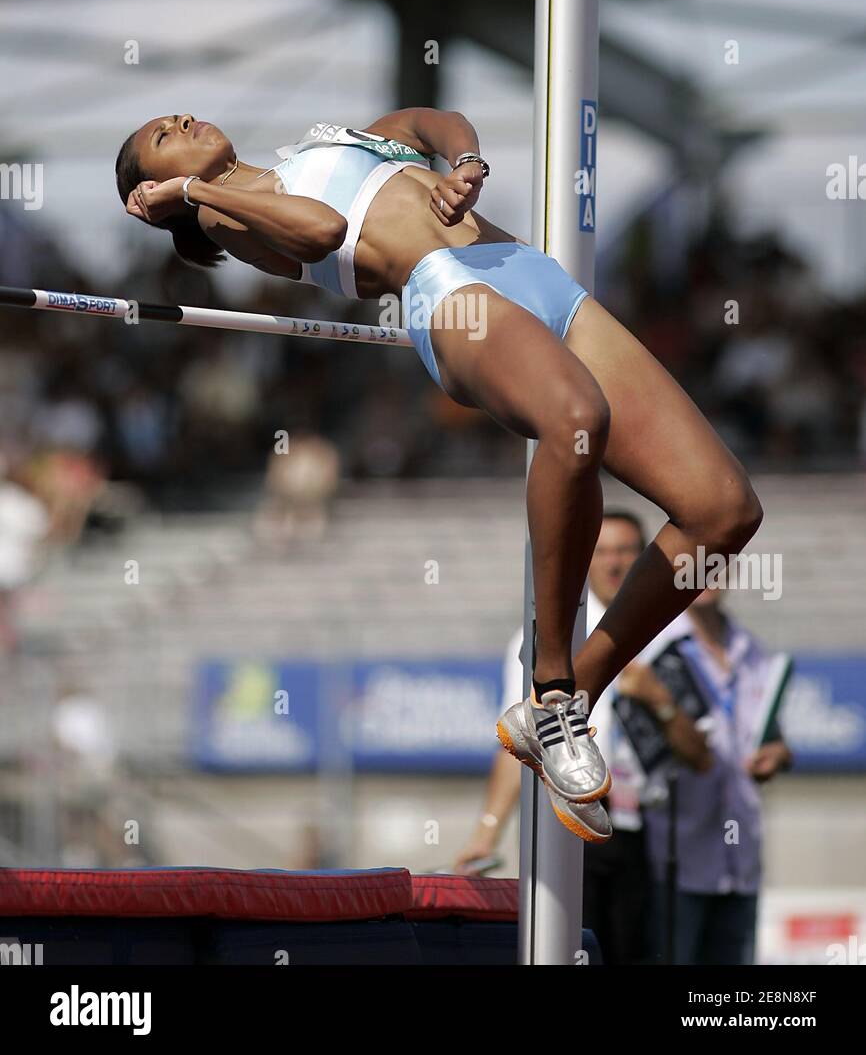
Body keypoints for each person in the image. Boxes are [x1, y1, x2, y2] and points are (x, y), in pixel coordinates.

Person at [116, 108, 763, 837]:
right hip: (453, 295)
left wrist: (465, 165)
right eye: (163, 139)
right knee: (575, 422)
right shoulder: (238, 222)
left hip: (532, 275)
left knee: (723, 509)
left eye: (174, 116)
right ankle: (552, 683)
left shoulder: (325, 140)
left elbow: (431, 120)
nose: (178, 119)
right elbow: (324, 232)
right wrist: (197, 199)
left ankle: (565, 702)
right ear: (160, 192)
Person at [456, 511, 711, 964]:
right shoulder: (550, 635)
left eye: (626, 552)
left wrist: (659, 699)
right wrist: (486, 833)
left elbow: (703, 755)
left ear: (646, 559)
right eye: (603, 552)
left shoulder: (675, 634)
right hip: (568, 817)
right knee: (571, 947)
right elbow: (520, 739)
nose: (614, 563)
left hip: (649, 830)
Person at [643, 582, 793, 965]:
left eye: (719, 562)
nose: (708, 575)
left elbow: (770, 735)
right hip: (675, 857)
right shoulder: (655, 647)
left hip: (741, 856)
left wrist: (777, 755)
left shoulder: (750, 648)